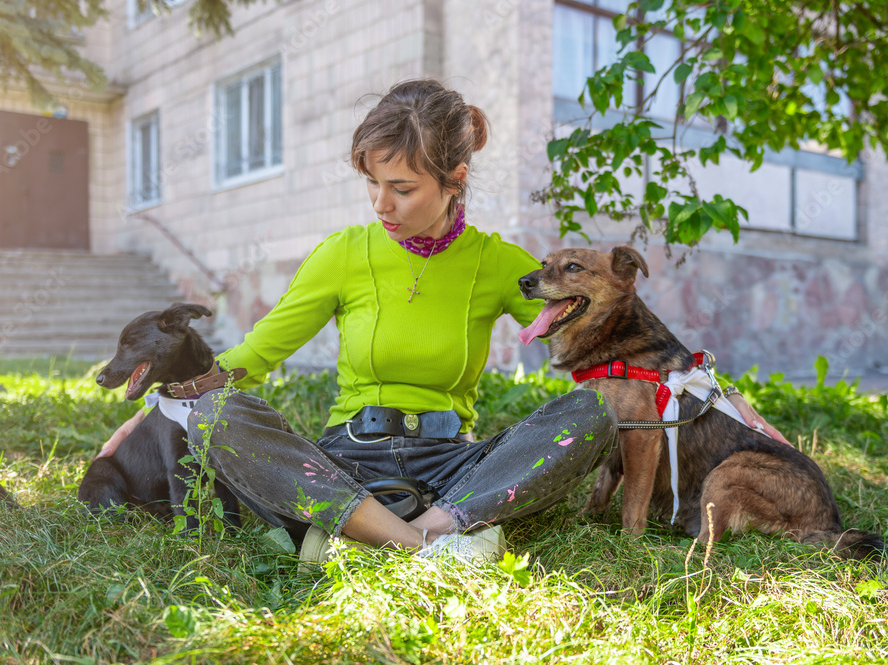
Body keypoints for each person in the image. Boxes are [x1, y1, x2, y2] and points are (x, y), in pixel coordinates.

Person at [100, 79, 786, 560]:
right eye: (371, 182)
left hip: (455, 466)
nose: (380, 203)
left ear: (455, 177)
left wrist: (730, 402)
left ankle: (379, 531)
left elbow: (615, 334)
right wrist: (164, 406)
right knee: (222, 411)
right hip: (344, 459)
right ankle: (423, 544)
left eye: (401, 187)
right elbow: (256, 351)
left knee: (588, 412)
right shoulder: (343, 253)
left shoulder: (497, 262)